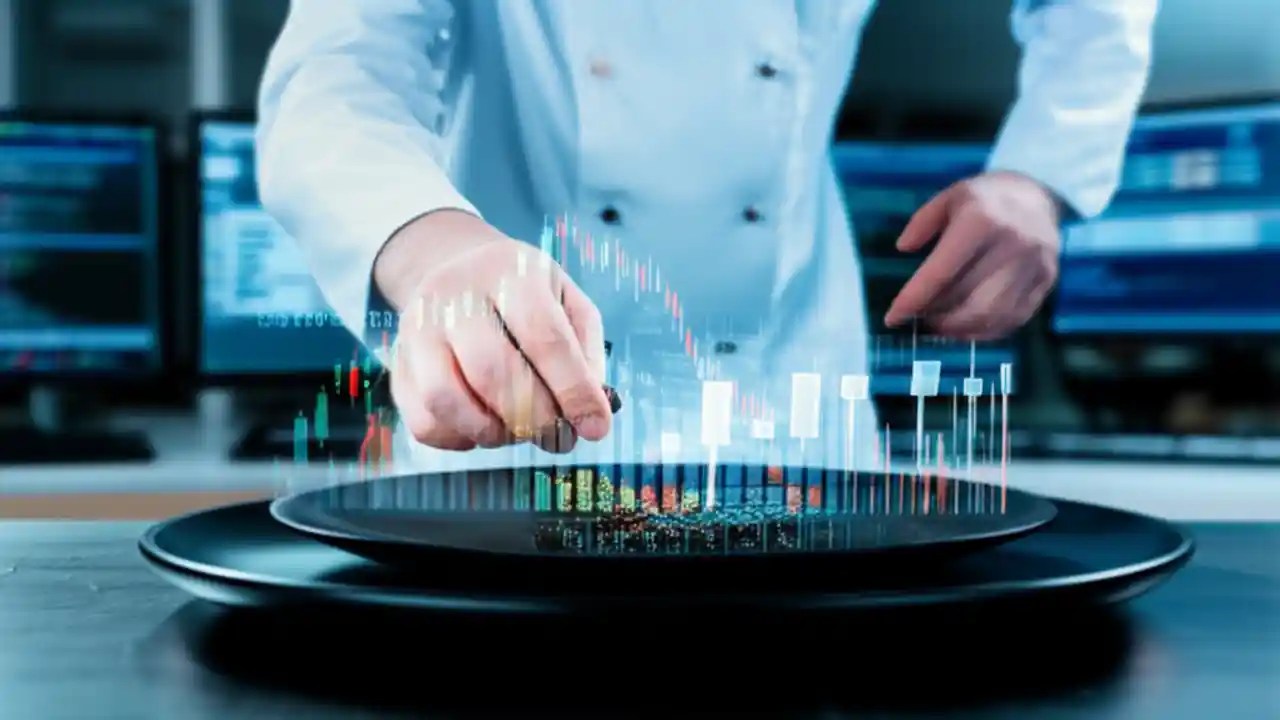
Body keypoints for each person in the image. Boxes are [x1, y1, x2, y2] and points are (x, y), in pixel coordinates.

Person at [256, 0, 1157, 474]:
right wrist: (434, 251)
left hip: (798, 412)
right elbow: (338, 78)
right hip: (511, 430)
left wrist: (1040, 174)